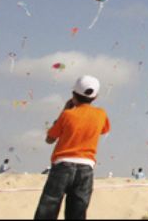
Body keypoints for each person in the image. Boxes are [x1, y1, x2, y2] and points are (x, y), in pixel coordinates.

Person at [34, 75, 110, 221]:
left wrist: (65, 110)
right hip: (86, 168)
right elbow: (103, 130)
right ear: (96, 97)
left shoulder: (67, 114)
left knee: (48, 207)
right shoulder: (101, 114)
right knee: (78, 212)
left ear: (73, 95)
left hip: (62, 165)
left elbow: (49, 139)